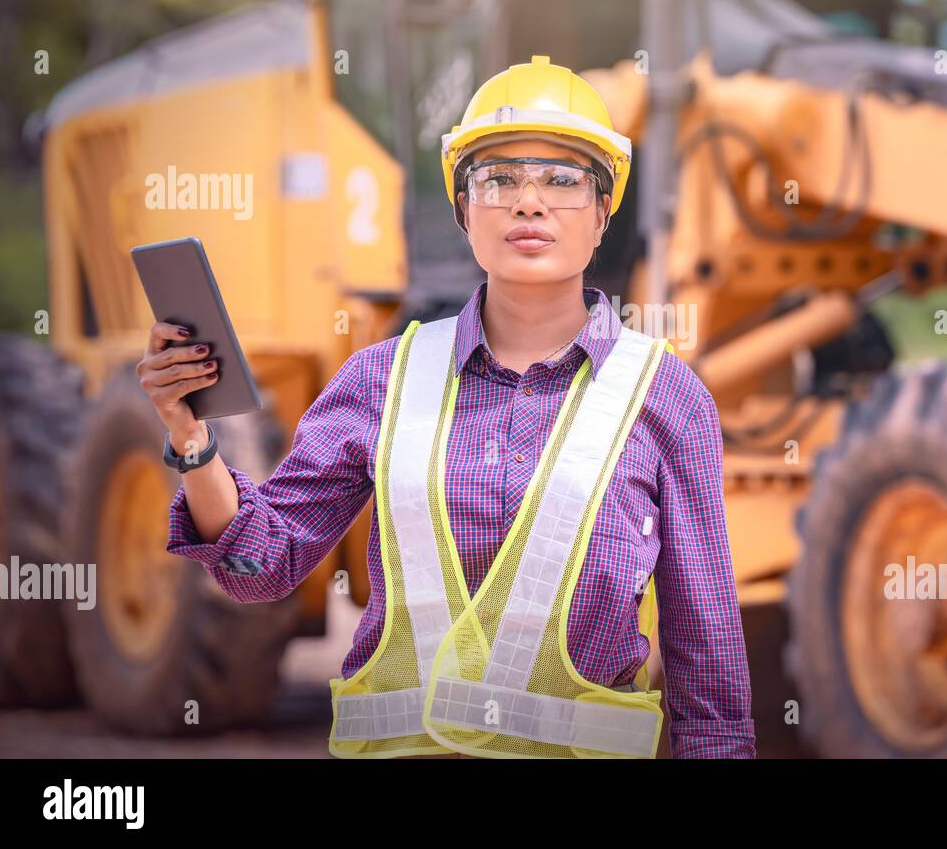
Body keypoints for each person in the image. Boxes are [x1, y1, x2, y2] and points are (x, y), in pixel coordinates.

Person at [139, 55, 756, 759]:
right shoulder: (383, 381)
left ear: (601, 212)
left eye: (563, 180)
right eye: (498, 179)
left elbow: (710, 678)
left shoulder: (667, 401)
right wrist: (191, 436)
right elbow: (260, 565)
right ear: (464, 211)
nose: (529, 201)